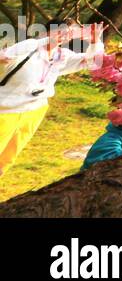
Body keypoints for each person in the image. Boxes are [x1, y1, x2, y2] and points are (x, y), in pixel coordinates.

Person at [0, 24, 104, 178]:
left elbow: (94, 63)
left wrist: (95, 41)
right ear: (45, 32)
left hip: (34, 112)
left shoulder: (62, 56)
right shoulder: (28, 47)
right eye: (60, 30)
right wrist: (49, 39)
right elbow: (7, 55)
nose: (64, 35)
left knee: (7, 157)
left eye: (68, 32)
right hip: (6, 111)